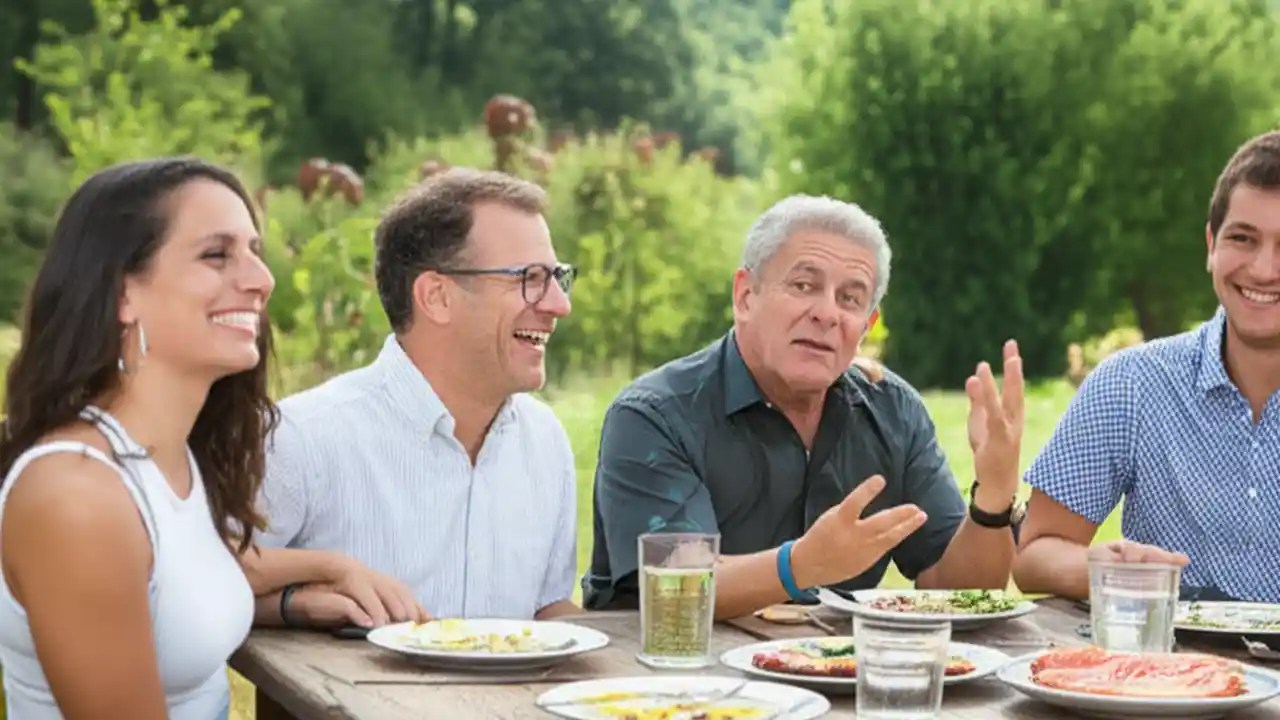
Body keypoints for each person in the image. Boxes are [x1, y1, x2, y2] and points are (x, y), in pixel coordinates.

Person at [583, 194, 1026, 619]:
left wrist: (994, 496)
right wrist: (799, 567)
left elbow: (959, 593)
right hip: (666, 684)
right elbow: (675, 588)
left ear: (865, 326)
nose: (826, 313)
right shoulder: (655, 414)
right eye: (803, 285)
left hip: (834, 679)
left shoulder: (893, 411)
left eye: (850, 298)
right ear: (745, 296)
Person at [0, 157, 285, 718]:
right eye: (216, 254)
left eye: (255, 251)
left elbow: (176, 573)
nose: (261, 279)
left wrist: (329, 571)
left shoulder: (164, 456)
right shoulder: (76, 496)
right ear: (122, 294)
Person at [253, 167, 580, 624]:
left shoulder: (544, 440)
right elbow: (205, 590)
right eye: (529, 278)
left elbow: (546, 610)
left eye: (557, 277)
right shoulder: (301, 440)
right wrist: (295, 603)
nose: (558, 305)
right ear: (436, 297)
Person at [1013, 130, 1280, 603]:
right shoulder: (1132, 384)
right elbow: (1034, 554)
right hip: (1167, 671)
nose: (1263, 269)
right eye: (1243, 238)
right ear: (1210, 245)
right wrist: (1109, 572)